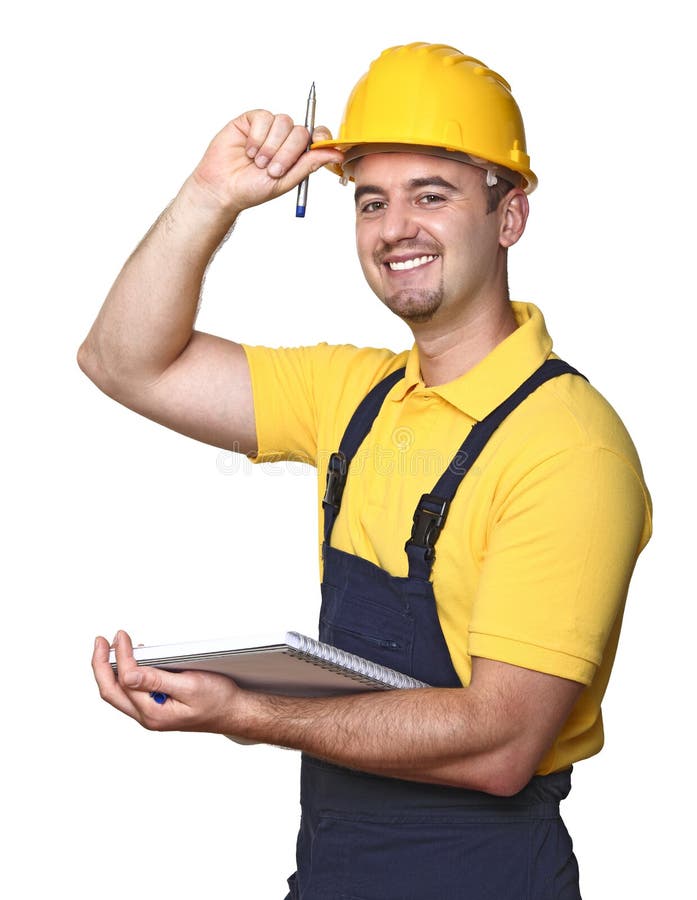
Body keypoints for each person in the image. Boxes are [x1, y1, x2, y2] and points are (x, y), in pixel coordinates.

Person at [81, 42, 652, 899]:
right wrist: (213, 195)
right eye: (370, 201)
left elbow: (499, 747)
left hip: (483, 877)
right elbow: (124, 362)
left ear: (509, 216)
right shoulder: (356, 394)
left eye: (432, 195)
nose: (394, 230)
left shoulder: (568, 448)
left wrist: (249, 715)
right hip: (336, 868)